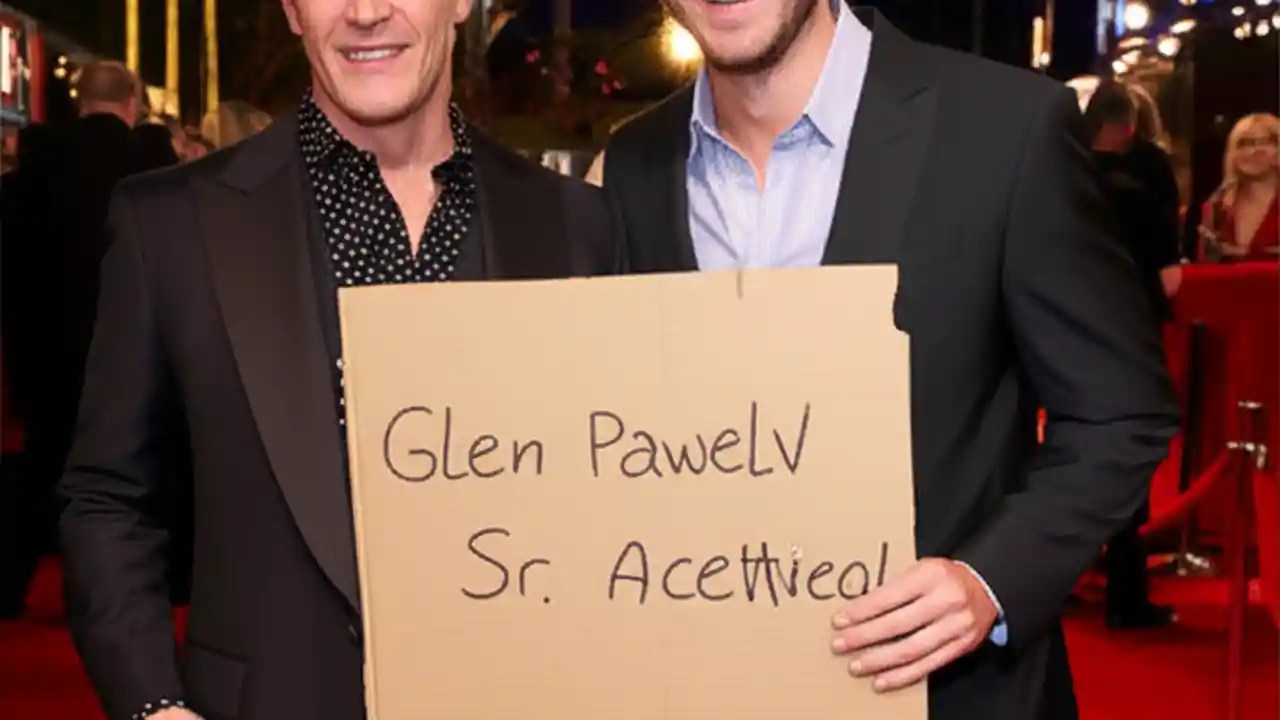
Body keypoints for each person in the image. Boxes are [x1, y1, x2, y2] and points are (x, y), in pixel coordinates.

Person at [601, 1, 1179, 718]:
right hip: (717, 686)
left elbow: (1120, 412)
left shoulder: (1003, 126)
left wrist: (986, 582)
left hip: (957, 697)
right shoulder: (635, 164)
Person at [57, 2, 621, 719]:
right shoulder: (171, 224)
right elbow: (106, 497)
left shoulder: (576, 228)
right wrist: (153, 705)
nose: (365, 13)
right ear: (293, 9)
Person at [0, 61, 143, 618]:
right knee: (120, 481)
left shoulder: (30, 171)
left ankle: (10, 586)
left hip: (41, 350)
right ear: (130, 102)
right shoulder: (148, 167)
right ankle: (111, 595)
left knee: (39, 466)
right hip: (127, 350)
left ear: (79, 99)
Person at [1084, 81, 1179, 630]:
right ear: (1130, 126)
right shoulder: (1140, 193)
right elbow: (1169, 281)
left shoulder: (1058, 180)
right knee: (1124, 459)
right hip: (1126, 342)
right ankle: (1126, 596)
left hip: (1049, 343)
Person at [1198, 112, 1280, 262]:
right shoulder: (1216, 207)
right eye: (1243, 143)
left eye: (1264, 142)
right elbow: (1205, 267)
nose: (1252, 151)